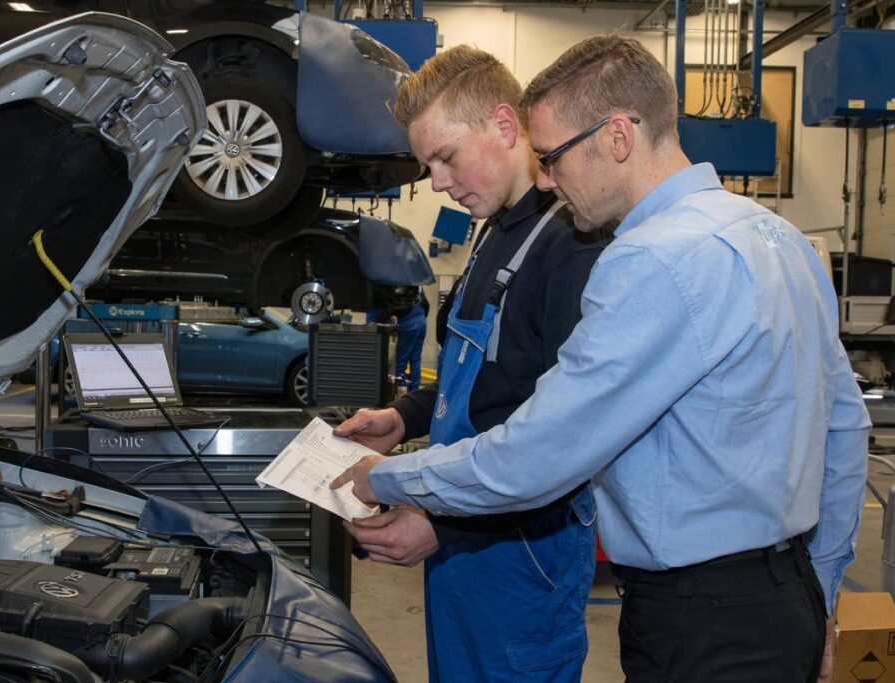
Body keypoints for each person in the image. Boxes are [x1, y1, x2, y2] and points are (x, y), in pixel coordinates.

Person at [333, 35, 870, 683]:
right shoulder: (780, 238)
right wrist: (820, 593)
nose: (548, 176)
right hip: (783, 599)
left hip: (699, 615)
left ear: (617, 136)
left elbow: (538, 456)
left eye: (555, 155)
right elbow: (845, 431)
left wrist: (386, 478)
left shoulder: (645, 259)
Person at [334, 45, 609, 682]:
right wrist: (404, 418)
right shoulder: (493, 228)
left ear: (506, 127)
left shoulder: (572, 244)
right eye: (427, 162)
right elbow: (483, 374)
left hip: (521, 550)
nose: (436, 181)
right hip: (462, 524)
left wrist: (445, 526)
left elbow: (561, 442)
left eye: (446, 157)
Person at [368, 288, 429, 392]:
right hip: (421, 320)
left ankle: (401, 397)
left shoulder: (391, 281)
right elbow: (426, 304)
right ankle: (413, 393)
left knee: (399, 364)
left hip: (407, 323)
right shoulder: (414, 281)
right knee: (415, 360)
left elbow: (380, 312)